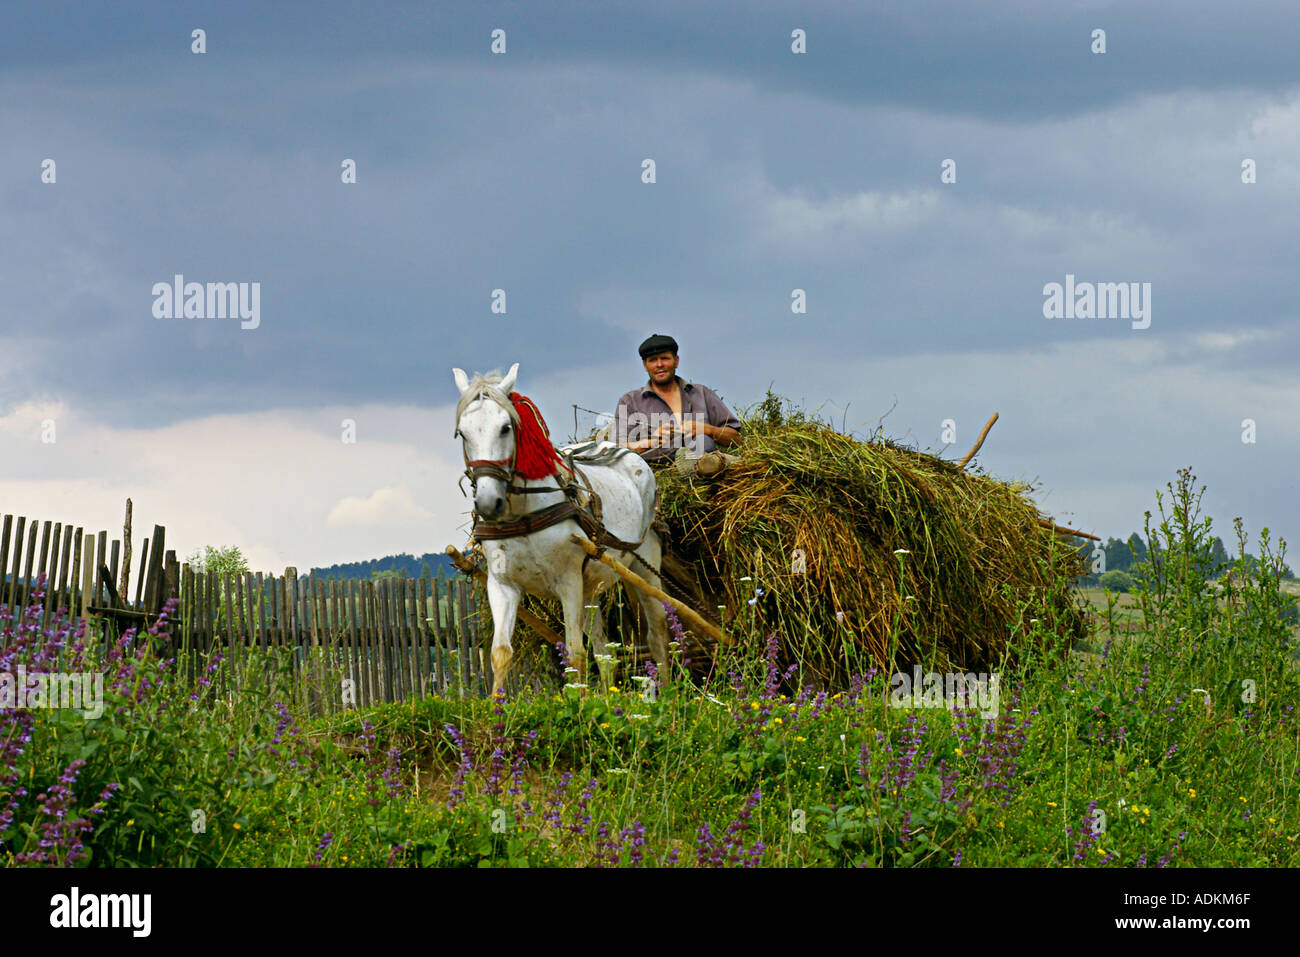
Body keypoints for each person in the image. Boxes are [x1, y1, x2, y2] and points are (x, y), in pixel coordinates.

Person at [614, 333, 741, 475]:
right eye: (653, 360)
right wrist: (652, 441)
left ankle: (694, 467)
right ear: (645, 365)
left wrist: (706, 429)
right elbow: (617, 449)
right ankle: (691, 466)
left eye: (665, 358)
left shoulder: (701, 393)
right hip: (655, 469)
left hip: (704, 462)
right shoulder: (630, 401)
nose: (660, 364)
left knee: (702, 440)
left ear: (676, 361)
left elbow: (736, 438)